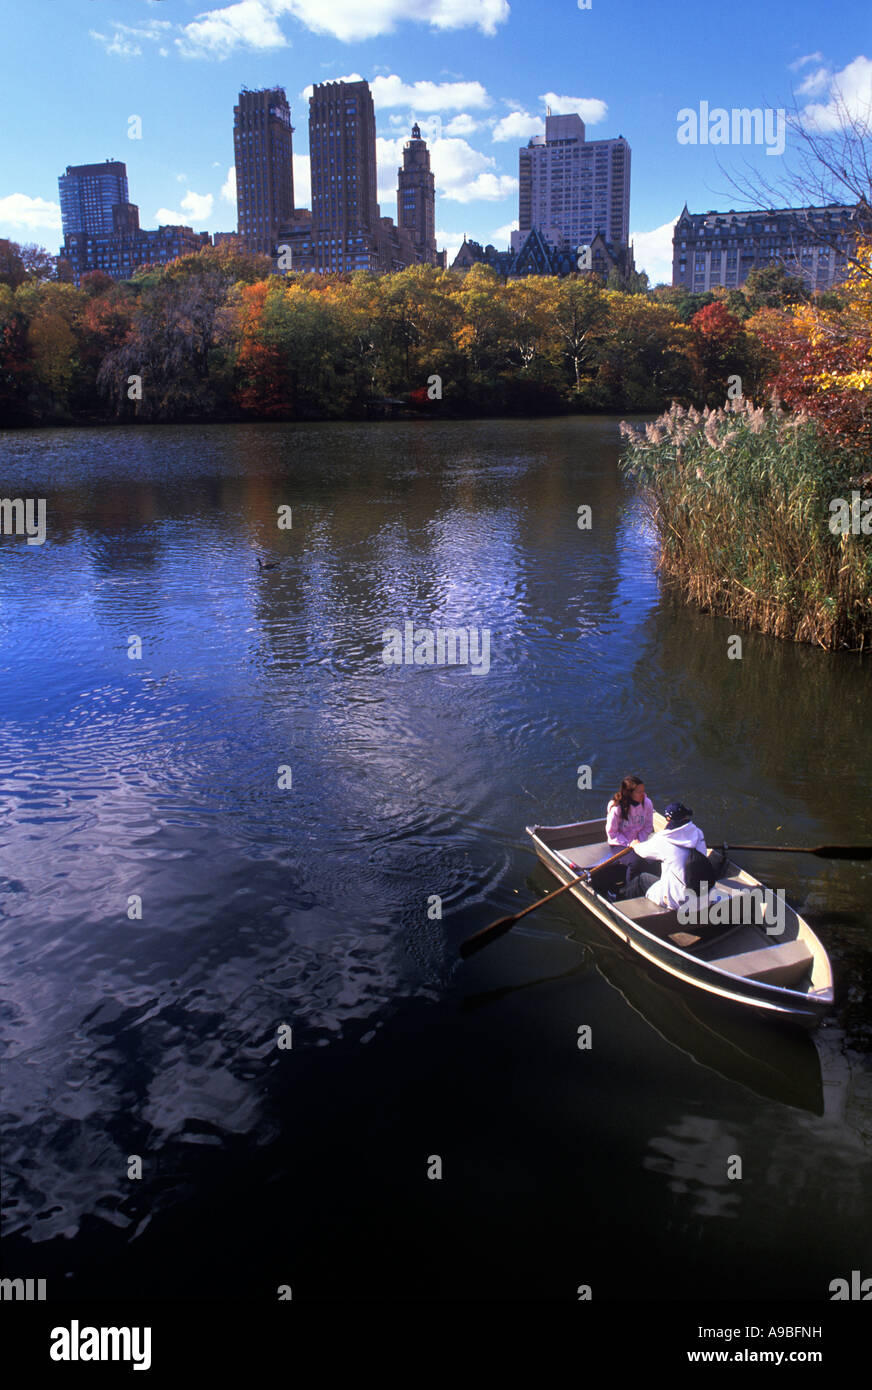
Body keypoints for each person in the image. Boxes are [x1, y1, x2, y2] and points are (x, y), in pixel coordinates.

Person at [623, 801, 708, 909]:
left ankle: (623, 901)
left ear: (668, 819)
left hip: (677, 899)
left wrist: (635, 845)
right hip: (701, 894)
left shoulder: (664, 839)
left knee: (641, 880)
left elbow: (643, 852)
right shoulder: (698, 833)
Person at [595, 775, 659, 892]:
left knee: (653, 858)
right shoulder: (616, 808)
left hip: (640, 840)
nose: (643, 794)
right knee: (635, 862)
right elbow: (612, 833)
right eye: (639, 792)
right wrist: (629, 844)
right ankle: (630, 891)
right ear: (629, 793)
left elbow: (648, 827)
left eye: (643, 791)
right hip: (619, 843)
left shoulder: (647, 803)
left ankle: (653, 888)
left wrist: (639, 842)